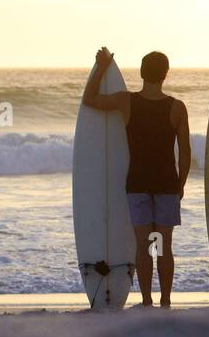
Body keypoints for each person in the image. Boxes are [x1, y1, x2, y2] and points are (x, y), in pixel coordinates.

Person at [82, 47, 192, 308]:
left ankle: (146, 301)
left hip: (138, 183)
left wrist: (100, 67)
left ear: (142, 73)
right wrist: (181, 184)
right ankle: (165, 301)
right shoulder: (177, 108)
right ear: (165, 74)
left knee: (143, 246)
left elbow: (90, 99)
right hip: (167, 184)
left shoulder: (126, 102)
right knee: (163, 246)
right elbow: (185, 152)